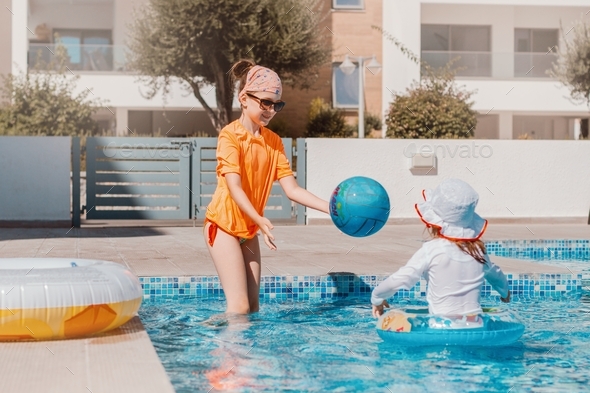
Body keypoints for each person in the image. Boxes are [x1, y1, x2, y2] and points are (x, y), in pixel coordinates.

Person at [204, 59, 330, 315]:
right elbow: (234, 187)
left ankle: (237, 348)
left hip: (249, 229)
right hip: (223, 226)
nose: (271, 110)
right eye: (265, 102)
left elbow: (293, 190)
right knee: (238, 307)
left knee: (252, 308)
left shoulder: (273, 142)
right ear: (244, 98)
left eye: (276, 104)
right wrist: (260, 220)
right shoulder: (230, 136)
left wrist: (333, 210)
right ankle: (219, 349)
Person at [371, 178, 511, 319]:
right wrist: (505, 292)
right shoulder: (478, 251)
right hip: (475, 325)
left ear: (433, 223)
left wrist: (377, 297)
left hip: (442, 327)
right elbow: (494, 273)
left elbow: (401, 279)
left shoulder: (431, 249)